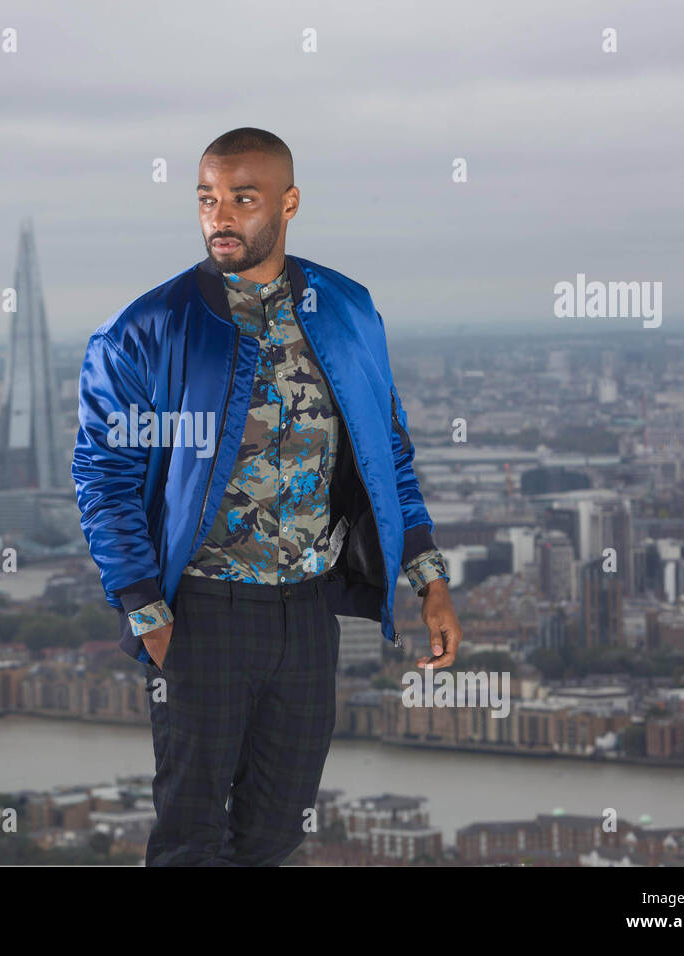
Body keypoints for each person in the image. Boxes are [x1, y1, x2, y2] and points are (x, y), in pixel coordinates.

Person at [72, 127, 463, 866]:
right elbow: (103, 477)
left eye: (242, 200)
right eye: (207, 199)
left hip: (311, 614)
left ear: (288, 204)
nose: (220, 217)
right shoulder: (145, 330)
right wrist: (148, 614)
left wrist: (428, 579)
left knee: (276, 835)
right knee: (191, 839)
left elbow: (389, 457)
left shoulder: (347, 311)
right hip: (202, 613)